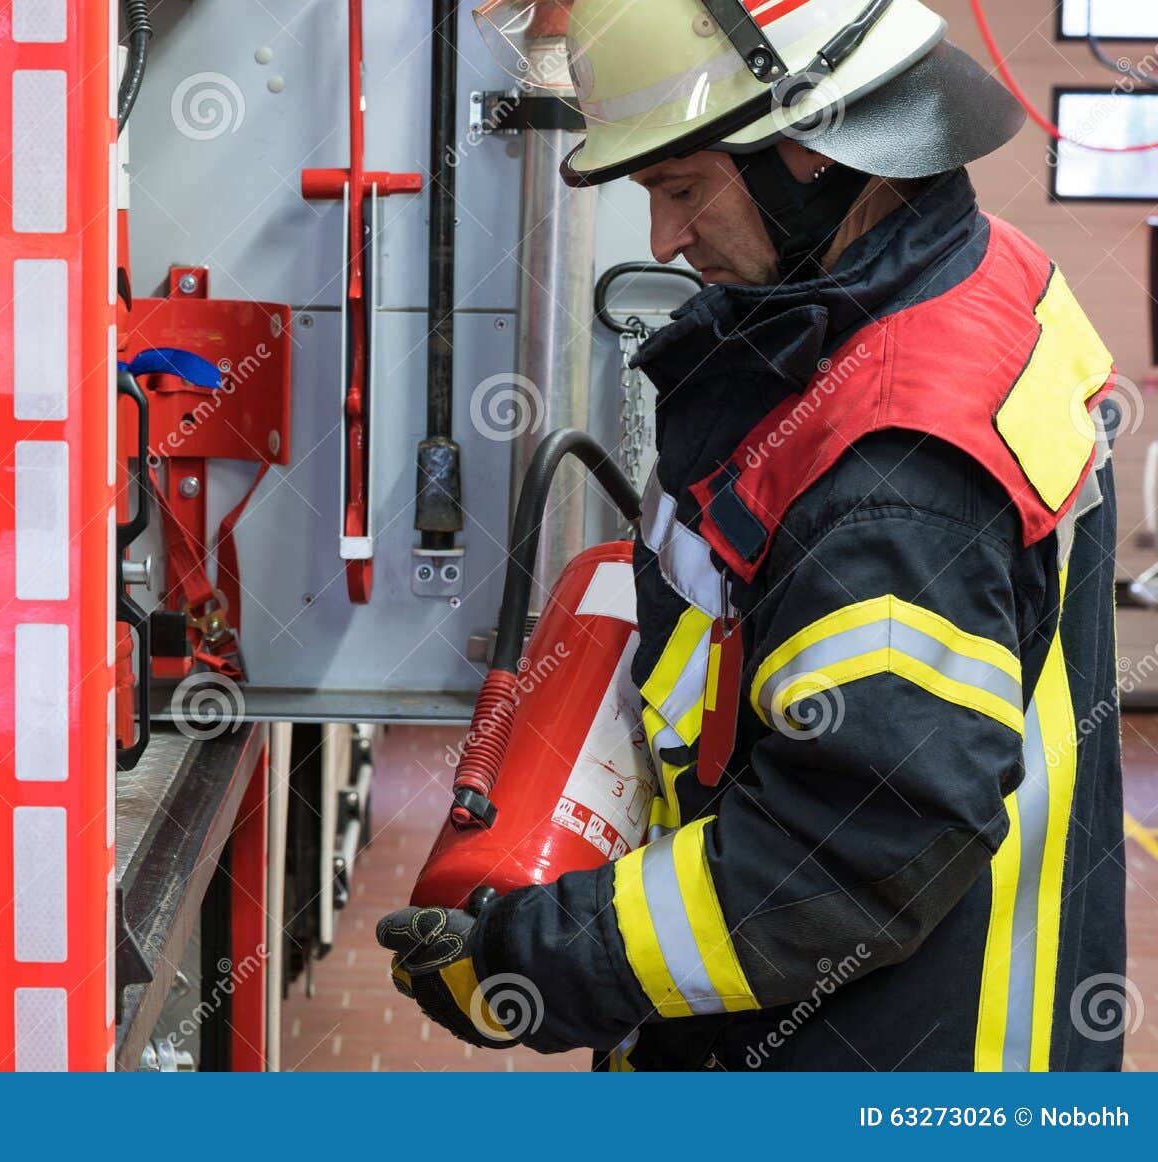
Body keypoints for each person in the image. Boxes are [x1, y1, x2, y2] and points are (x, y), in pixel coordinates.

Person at [378, 0, 1127, 1070]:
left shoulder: (896, 473)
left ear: (813, 152)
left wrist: (529, 963)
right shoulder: (976, 274)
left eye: (683, 189)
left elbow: (846, 853)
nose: (664, 241)